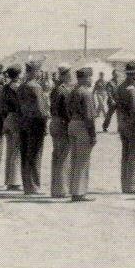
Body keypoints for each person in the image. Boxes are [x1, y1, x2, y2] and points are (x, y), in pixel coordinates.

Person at [17, 61, 49, 195]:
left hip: (23, 121)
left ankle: (27, 186)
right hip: (35, 123)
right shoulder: (35, 87)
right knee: (35, 155)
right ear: (34, 72)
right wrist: (45, 122)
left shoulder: (21, 86)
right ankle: (34, 186)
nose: (39, 73)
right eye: (38, 71)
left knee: (25, 155)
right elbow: (41, 109)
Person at [67, 66, 98, 201]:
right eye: (90, 77)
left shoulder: (73, 91)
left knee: (74, 159)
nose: (91, 80)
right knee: (83, 160)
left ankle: (74, 190)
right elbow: (90, 117)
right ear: (85, 78)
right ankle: (79, 192)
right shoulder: (86, 93)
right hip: (82, 127)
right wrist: (93, 135)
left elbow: (67, 110)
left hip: (72, 124)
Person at [117, 61, 135, 194]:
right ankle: (132, 186)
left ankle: (125, 185)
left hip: (123, 124)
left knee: (126, 155)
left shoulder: (120, 88)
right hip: (133, 126)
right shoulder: (132, 91)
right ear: (134, 74)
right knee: (134, 156)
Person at [49, 64, 74, 198]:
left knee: (57, 155)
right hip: (62, 124)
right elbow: (66, 111)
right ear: (65, 75)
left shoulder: (56, 89)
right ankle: (62, 189)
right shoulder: (63, 91)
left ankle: (56, 188)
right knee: (64, 156)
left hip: (54, 122)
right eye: (69, 74)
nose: (71, 77)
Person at [2, 63, 22, 191]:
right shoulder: (17, 87)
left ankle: (9, 180)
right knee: (16, 151)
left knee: (9, 150)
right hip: (16, 117)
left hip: (7, 117)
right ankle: (14, 181)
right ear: (19, 74)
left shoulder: (5, 87)